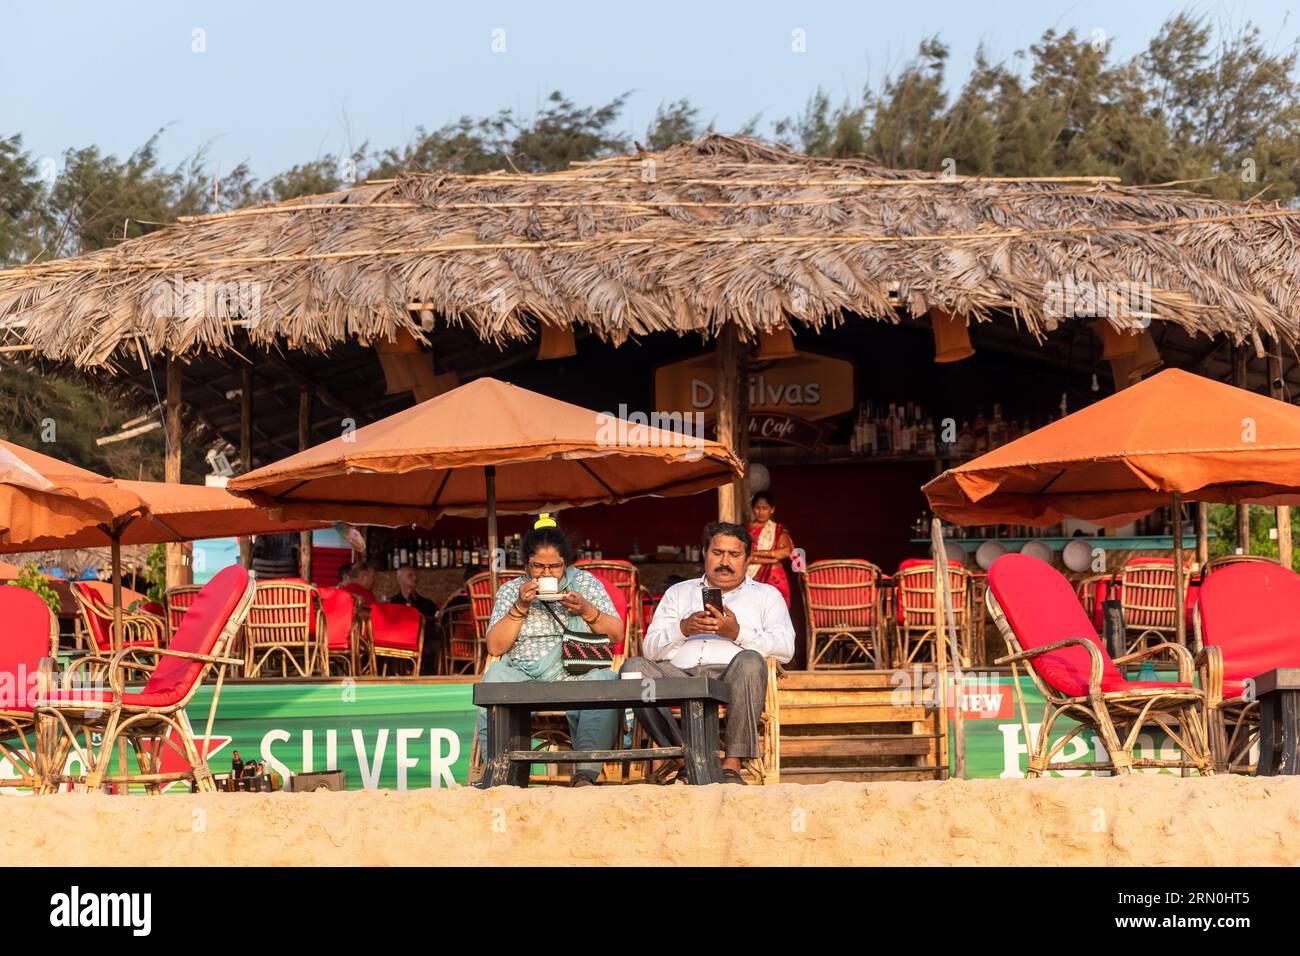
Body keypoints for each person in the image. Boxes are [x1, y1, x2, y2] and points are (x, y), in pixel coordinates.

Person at [624, 520, 795, 785]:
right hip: (680, 675)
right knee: (633, 671)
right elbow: (650, 649)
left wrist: (737, 633)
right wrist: (684, 628)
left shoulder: (766, 595)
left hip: (733, 677)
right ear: (705, 553)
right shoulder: (678, 593)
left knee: (751, 660)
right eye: (717, 553)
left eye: (734, 555)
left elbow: (786, 649)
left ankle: (732, 764)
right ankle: (685, 759)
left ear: (748, 559)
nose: (724, 561)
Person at [476, 521, 623, 786]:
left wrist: (587, 611)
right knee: (494, 678)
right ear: (526, 564)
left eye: (554, 566)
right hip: (523, 675)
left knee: (606, 683)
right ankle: (498, 773)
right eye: (538, 567)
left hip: (576, 671)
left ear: (565, 562)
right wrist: (520, 606)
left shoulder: (585, 583)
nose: (547, 573)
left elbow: (616, 635)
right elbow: (495, 648)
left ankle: (584, 775)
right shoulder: (512, 590)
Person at [388, 565, 442, 671]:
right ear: (400, 579)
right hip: (401, 641)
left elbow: (438, 619)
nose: (415, 578)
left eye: (415, 575)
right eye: (410, 576)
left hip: (426, 640)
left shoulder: (427, 603)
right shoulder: (393, 603)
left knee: (437, 643)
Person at [746, 491, 794, 608]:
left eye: (765, 508)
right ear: (753, 508)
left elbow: (785, 552)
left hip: (775, 579)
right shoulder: (745, 529)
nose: (761, 512)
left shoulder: (778, 529)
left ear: (772, 509)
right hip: (751, 578)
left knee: (777, 614)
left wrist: (755, 555)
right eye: (757, 508)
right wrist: (770, 558)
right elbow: (744, 555)